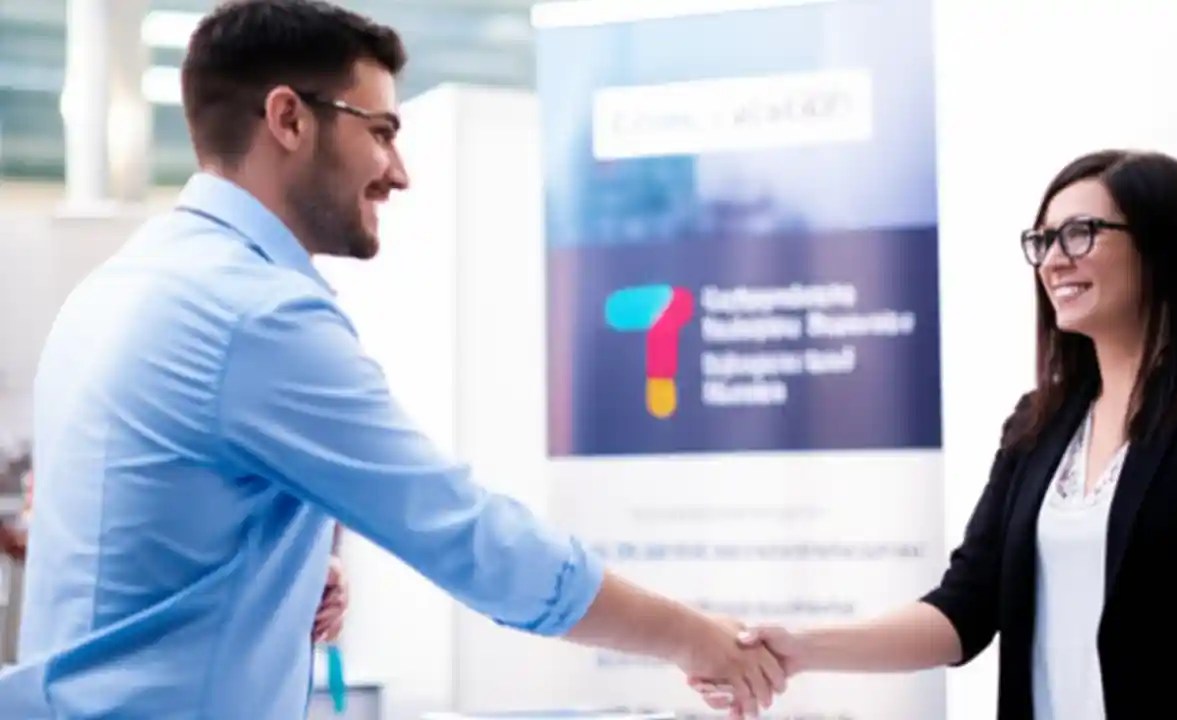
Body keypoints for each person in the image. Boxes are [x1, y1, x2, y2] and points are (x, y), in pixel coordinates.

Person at [0, 2, 784, 718]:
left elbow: (125, 541)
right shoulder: (255, 312)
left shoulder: (114, 290)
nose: (399, 171)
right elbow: (469, 537)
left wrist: (274, 575)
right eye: (379, 131)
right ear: (289, 119)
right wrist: (695, 638)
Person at [691, 150, 1177, 719]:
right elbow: (964, 608)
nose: (1053, 260)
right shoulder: (1040, 423)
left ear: (1161, 247)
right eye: (1044, 240)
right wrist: (804, 649)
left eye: (1081, 233)